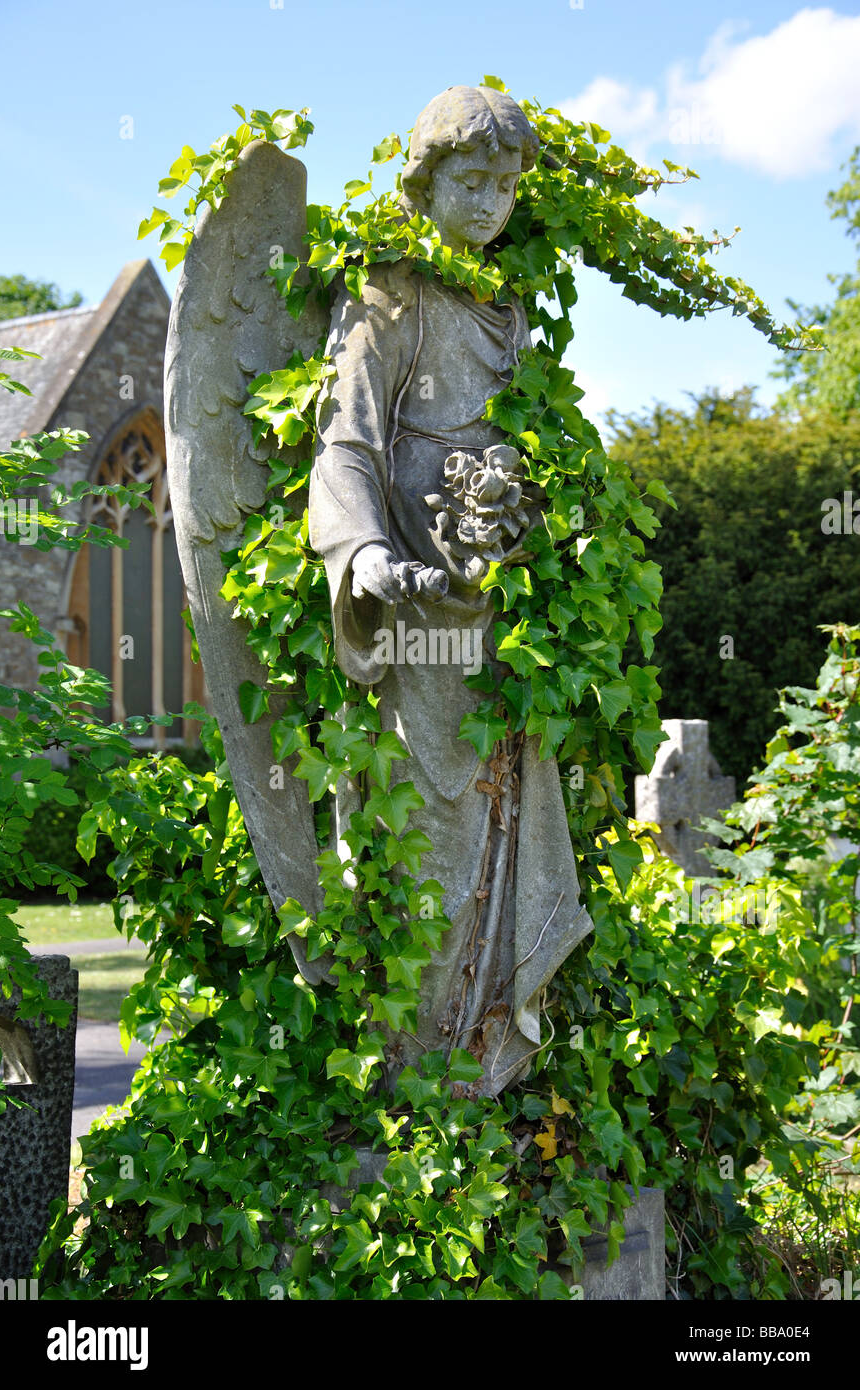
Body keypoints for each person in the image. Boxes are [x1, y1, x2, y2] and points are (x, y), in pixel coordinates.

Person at [309, 86, 593, 1095]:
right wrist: (362, 554)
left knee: (502, 816)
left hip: (493, 611)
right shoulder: (388, 298)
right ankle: (415, 1066)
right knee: (428, 827)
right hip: (413, 615)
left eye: (506, 182)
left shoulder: (506, 313)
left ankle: (483, 1049)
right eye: (469, 177)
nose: (489, 199)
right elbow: (343, 444)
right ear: (424, 181)